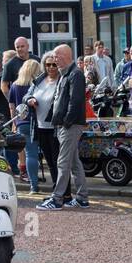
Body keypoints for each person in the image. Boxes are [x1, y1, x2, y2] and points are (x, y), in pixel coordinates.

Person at [38, 44, 90, 210]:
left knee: (63, 162)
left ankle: (57, 198)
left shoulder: (75, 74)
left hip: (70, 125)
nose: (54, 60)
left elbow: (75, 102)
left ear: (66, 56)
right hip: (66, 125)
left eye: (57, 57)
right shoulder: (67, 74)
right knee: (74, 162)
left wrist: (66, 123)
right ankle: (82, 198)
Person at [24, 54, 62, 191]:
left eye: (54, 64)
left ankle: (62, 191)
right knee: (50, 161)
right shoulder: (39, 80)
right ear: (44, 66)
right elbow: (26, 96)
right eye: (48, 64)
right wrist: (30, 100)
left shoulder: (62, 80)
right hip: (40, 126)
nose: (51, 67)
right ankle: (56, 190)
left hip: (56, 127)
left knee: (58, 161)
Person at [10, 58, 43, 193]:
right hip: (37, 122)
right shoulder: (37, 86)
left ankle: (33, 186)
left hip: (21, 123)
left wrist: (14, 123)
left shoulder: (15, 85)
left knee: (30, 154)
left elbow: (12, 107)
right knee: (40, 154)